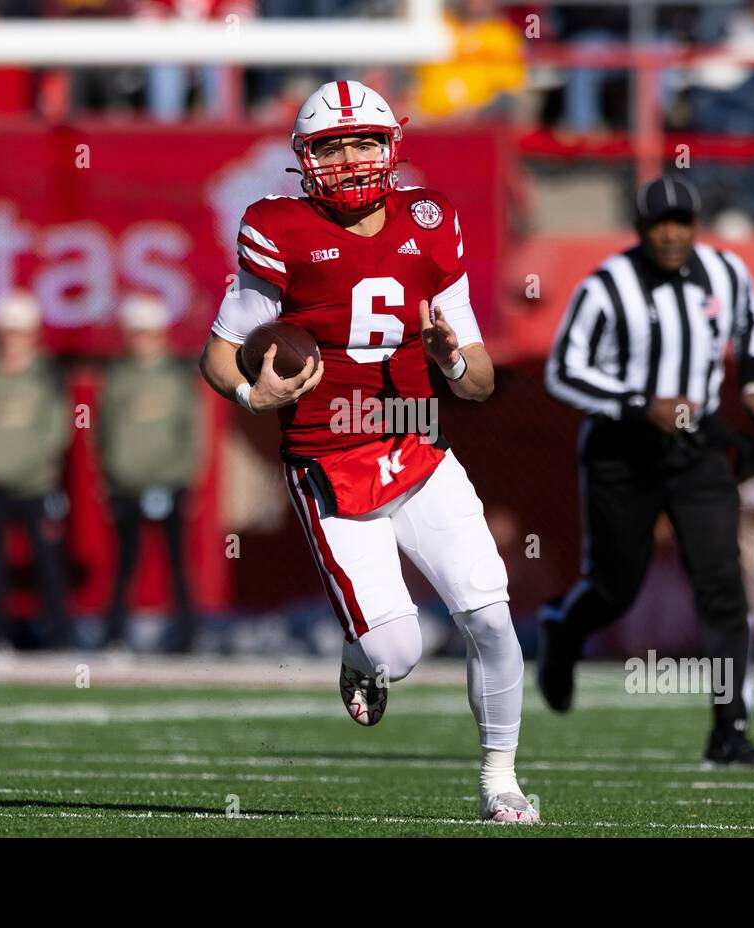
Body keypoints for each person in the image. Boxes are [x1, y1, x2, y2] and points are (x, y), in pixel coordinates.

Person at [198, 80, 538, 823]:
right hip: (330, 464)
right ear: (306, 157)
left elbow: (477, 381)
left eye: (363, 141)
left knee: (490, 617)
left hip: (418, 450)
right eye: (331, 145)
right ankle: (363, 652)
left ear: (392, 147)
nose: (350, 157)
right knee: (399, 653)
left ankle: (500, 778)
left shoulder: (430, 219)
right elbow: (218, 357)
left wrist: (451, 360)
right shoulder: (278, 229)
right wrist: (255, 398)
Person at [540, 175, 754, 767]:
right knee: (617, 586)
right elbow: (563, 370)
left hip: (698, 452)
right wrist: (639, 403)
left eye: (681, 223)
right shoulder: (607, 286)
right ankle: (563, 632)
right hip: (624, 451)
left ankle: (731, 731)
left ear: (695, 226)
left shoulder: (725, 272)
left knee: (722, 584)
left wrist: (752, 384)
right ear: (640, 230)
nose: (671, 235)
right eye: (658, 224)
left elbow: (753, 323)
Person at [0, 291, 73, 649]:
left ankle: (59, 638)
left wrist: (26, 467)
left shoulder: (47, 376)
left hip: (35, 484)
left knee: (47, 562)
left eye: (20, 332)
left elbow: (57, 430)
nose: (13, 340)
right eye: (8, 332)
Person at [98, 294, 201, 651]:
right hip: (126, 485)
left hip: (169, 483)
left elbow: (191, 432)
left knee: (177, 562)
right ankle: (115, 634)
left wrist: (182, 476)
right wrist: (111, 476)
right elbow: (104, 432)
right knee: (125, 563)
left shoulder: (175, 377)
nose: (140, 341)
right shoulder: (117, 376)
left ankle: (187, 636)